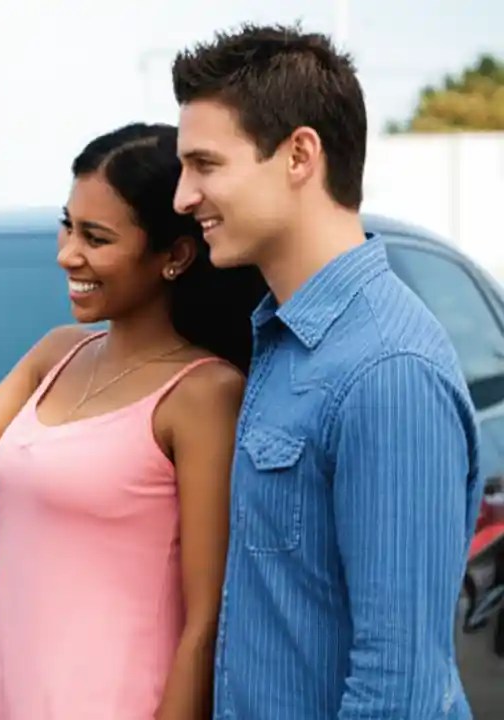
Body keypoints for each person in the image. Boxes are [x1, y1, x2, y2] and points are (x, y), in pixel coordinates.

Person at [0, 122, 268, 719]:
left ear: (175, 256)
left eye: (96, 237)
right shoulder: (55, 356)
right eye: (67, 225)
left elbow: (205, 621)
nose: (68, 254)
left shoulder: (204, 395)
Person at [171, 24, 482, 719]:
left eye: (205, 165)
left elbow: (397, 690)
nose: (183, 198)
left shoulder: (386, 370)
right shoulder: (288, 338)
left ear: (299, 155)